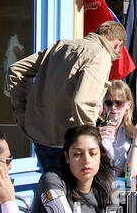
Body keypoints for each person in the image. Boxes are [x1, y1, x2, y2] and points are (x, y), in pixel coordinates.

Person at [7, 21, 126, 169]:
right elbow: (82, 103)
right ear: (118, 44)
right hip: (68, 146)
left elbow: (15, 70)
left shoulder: (61, 45)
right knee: (68, 191)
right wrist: (92, 144)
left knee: (53, 189)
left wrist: (23, 115)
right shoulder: (101, 55)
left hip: (41, 138)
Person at [32, 123, 137, 213]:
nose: (86, 160)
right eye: (77, 154)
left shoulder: (108, 182)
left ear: (100, 155)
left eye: (93, 153)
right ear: (67, 157)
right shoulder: (52, 180)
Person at [98, 80, 137, 173]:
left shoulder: (132, 134)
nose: (113, 107)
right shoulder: (96, 130)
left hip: (123, 185)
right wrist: (95, 139)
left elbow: (133, 174)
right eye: (108, 103)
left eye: (118, 103)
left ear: (128, 105)